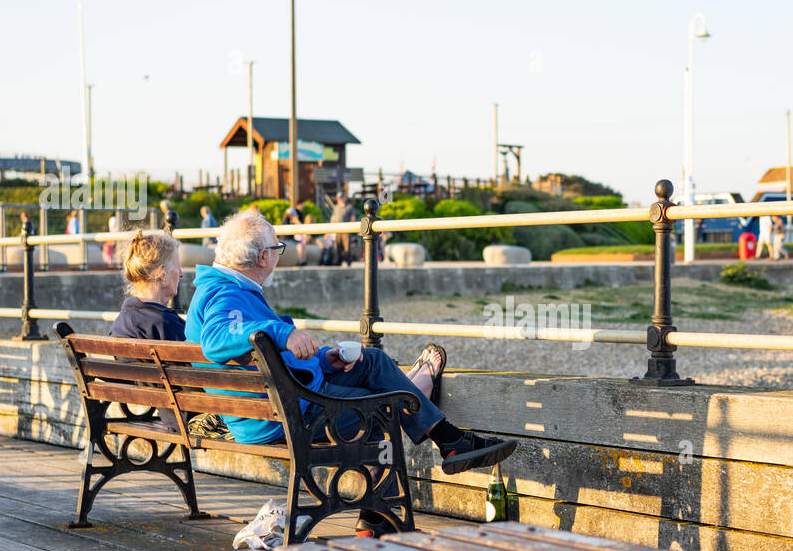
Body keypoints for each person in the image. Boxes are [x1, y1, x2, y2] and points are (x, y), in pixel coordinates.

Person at [184, 210, 517, 532]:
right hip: (282, 416)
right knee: (381, 408)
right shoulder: (224, 294)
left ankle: (449, 441)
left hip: (280, 401)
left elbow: (262, 356)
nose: (278, 257)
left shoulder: (225, 289)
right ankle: (379, 518)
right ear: (263, 258)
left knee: (372, 361)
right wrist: (285, 333)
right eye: (277, 248)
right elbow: (216, 340)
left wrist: (323, 360)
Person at [109, 230, 185, 429]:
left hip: (166, 414)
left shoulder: (121, 323)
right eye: (177, 266)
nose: (182, 273)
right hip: (189, 417)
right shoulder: (165, 324)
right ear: (162, 273)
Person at [330, 193, 354, 265]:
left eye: (341, 198)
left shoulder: (349, 207)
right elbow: (333, 217)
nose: (340, 199)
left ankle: (348, 261)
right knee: (337, 245)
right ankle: (338, 260)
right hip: (337, 229)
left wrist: (351, 228)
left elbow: (352, 218)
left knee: (347, 246)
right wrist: (331, 227)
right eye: (339, 198)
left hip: (346, 229)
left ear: (345, 198)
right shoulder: (336, 207)